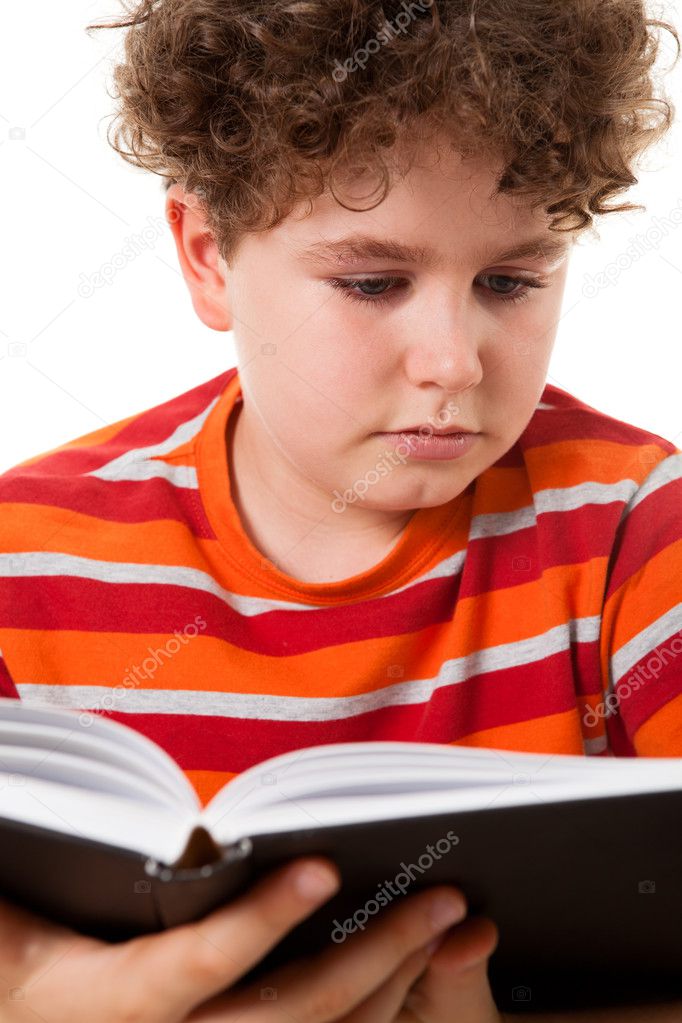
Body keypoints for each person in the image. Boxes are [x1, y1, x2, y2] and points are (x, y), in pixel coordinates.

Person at [1, 0, 681, 1019]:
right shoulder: (25, 558)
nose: (453, 362)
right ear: (205, 254)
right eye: (371, 282)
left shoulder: (635, 530)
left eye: (511, 279)